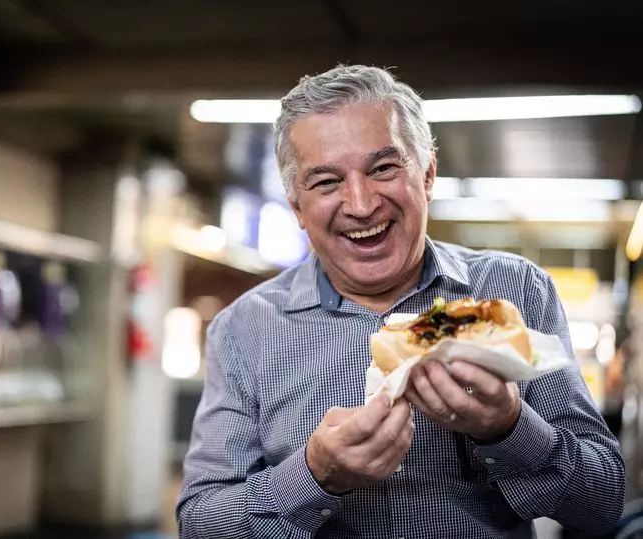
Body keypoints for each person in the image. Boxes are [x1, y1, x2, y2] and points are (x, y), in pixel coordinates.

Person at [176, 64, 626, 538]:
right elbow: (201, 523)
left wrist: (508, 429)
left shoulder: (516, 291)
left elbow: (603, 502)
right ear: (297, 208)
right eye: (326, 182)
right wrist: (315, 474)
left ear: (427, 173)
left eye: (384, 169)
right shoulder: (243, 330)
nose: (362, 204)